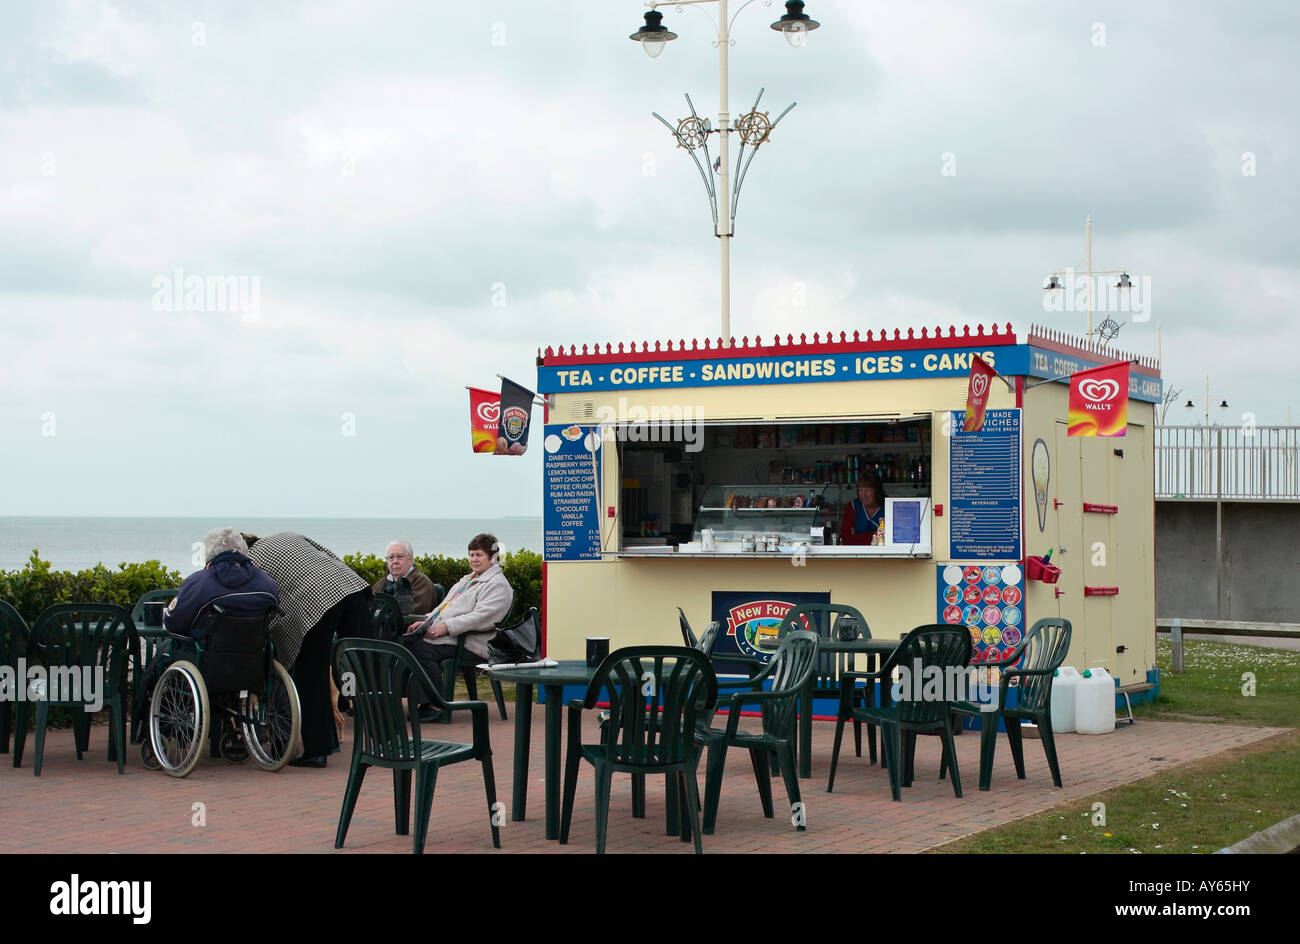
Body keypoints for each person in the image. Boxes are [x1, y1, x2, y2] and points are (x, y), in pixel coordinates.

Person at [135, 528, 278, 735]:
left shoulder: (200, 583)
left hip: (207, 664)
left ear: (209, 553)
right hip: (252, 664)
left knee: (164, 654)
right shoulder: (266, 584)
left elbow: (176, 624)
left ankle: (158, 729)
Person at [246, 532, 371, 769]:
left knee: (310, 675)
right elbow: (330, 556)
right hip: (353, 587)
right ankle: (385, 740)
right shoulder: (288, 536)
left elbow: (263, 597)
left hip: (319, 602)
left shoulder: (252, 558)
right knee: (367, 667)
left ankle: (317, 750)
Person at [401, 533, 513, 722]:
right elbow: (443, 607)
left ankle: (437, 706)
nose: (474, 559)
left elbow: (482, 617)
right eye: (471, 555)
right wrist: (426, 621)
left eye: (479, 555)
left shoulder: (498, 585)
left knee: (419, 649)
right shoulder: (467, 580)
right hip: (453, 638)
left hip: (473, 643)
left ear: (492, 558)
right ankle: (410, 700)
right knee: (403, 643)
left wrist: (447, 627)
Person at [372, 541, 436, 616]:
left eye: (399, 557)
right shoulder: (383, 582)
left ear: (410, 560)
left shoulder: (422, 583)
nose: (395, 561)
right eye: (391, 557)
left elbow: (414, 613)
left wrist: (380, 614)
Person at [841, 471, 887, 546]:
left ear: (877, 492)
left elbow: (890, 538)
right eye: (860, 490)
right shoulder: (852, 507)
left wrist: (856, 537)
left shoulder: (888, 507)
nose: (863, 495)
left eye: (867, 490)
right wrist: (876, 535)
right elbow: (845, 540)